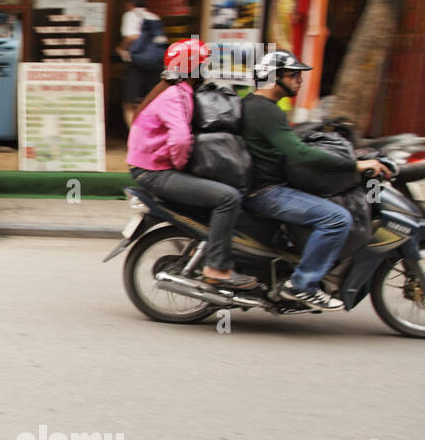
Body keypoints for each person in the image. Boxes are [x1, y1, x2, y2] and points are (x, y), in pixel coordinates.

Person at [240, 50, 390, 311]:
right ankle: (302, 284)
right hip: (266, 192)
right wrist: (356, 164)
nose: (299, 80)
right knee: (337, 218)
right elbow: (300, 153)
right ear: (274, 77)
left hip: (271, 186)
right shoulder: (264, 110)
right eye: (293, 75)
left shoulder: (258, 105)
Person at [127, 39, 255, 289]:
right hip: (154, 171)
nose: (206, 68)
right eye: (203, 63)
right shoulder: (176, 95)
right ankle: (216, 268)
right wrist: (182, 165)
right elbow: (180, 140)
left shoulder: (171, 90)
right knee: (227, 198)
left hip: (151, 167)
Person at [119, 0, 166, 130]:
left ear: (130, 4)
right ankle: (150, 134)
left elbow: (132, 36)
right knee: (149, 100)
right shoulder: (154, 17)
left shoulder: (130, 15)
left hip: (137, 64)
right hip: (155, 64)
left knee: (128, 102)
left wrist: (121, 48)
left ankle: (135, 137)